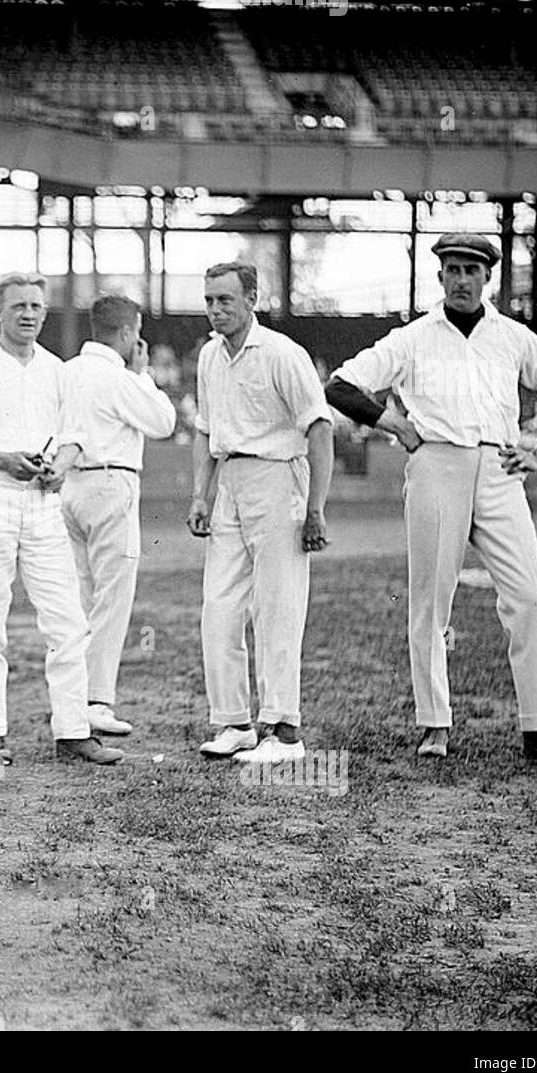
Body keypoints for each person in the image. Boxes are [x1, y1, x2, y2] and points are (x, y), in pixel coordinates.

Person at [325, 232, 537, 764]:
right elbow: (339, 386)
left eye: (472, 269)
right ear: (440, 275)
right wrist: (393, 423)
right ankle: (434, 725)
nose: (462, 279)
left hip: (498, 467)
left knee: (530, 597)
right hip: (436, 464)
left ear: (487, 276)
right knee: (430, 601)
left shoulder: (513, 337)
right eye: (452, 269)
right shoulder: (414, 337)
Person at [0, 272, 122, 767]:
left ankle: (73, 730)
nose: (29, 314)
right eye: (18, 306)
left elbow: (75, 434)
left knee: (68, 620)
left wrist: (60, 465)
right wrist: (0, 460)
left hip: (40, 503)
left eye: (36, 305)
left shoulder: (57, 370)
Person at [187, 262, 333, 766]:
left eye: (225, 300)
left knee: (277, 606)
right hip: (229, 481)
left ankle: (284, 731)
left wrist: (315, 508)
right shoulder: (209, 356)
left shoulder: (282, 354)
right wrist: (200, 496)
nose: (216, 309)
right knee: (220, 607)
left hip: (278, 479)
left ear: (252, 298)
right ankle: (234, 723)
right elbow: (206, 431)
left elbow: (319, 429)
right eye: (209, 300)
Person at [60, 295, 176, 737]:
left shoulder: (65, 371)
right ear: (128, 334)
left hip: (68, 484)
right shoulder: (120, 377)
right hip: (111, 484)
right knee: (111, 597)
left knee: (77, 597)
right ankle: (96, 702)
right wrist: (142, 375)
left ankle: (72, 698)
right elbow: (163, 421)